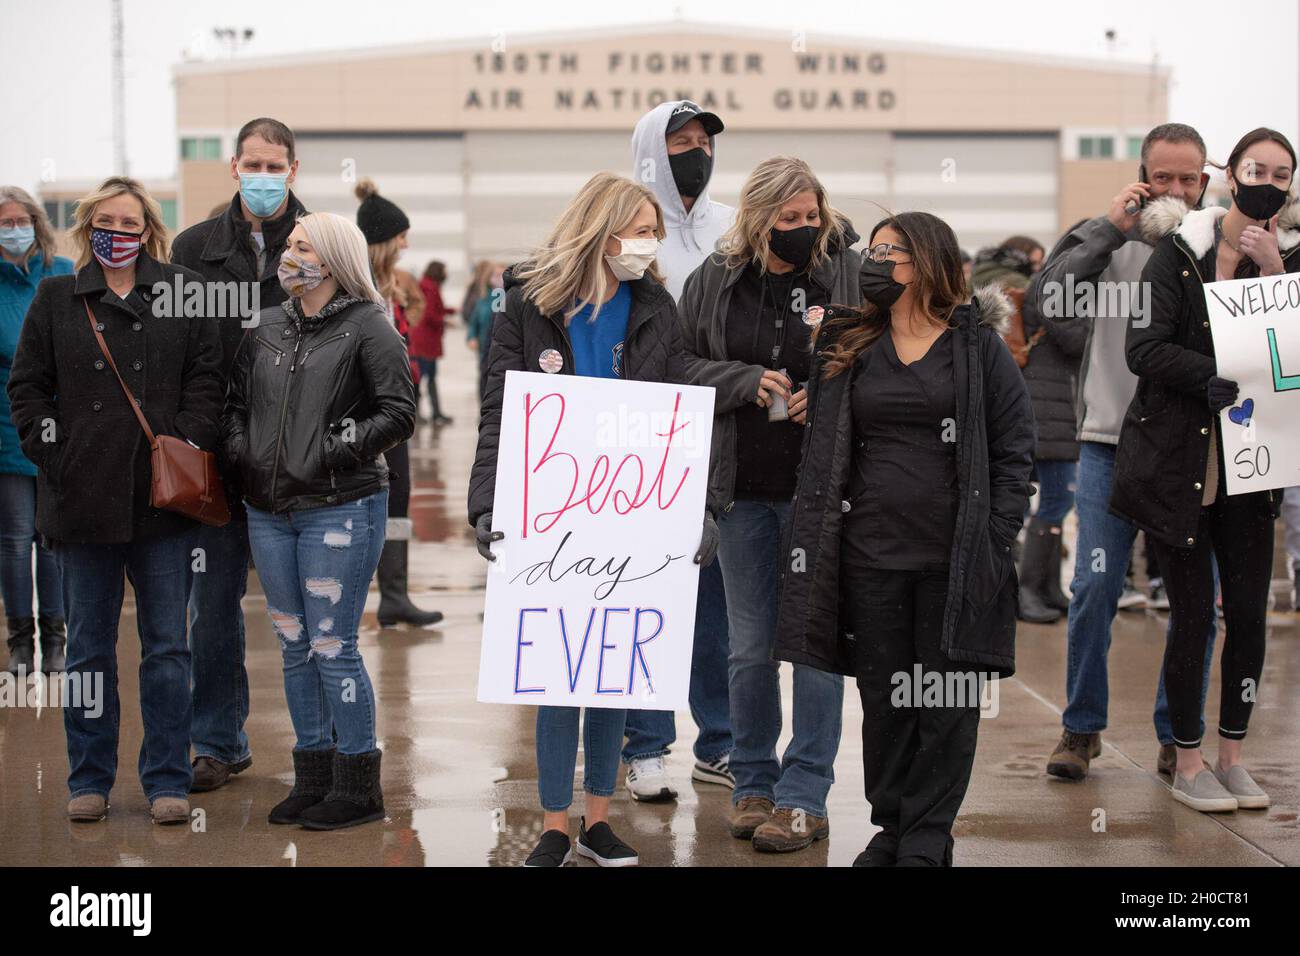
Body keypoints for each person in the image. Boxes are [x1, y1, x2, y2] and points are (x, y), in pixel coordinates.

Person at [467, 172, 717, 867]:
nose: (648, 242)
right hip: (550, 510)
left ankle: (599, 820)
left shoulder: (656, 308)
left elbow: (677, 417)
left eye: (652, 231)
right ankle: (553, 824)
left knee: (614, 668)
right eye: (638, 228)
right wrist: (487, 502)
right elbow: (498, 411)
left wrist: (696, 510)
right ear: (600, 228)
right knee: (554, 672)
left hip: (631, 508)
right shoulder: (528, 304)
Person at [776, 212, 1034, 866]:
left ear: (926, 262)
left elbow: (1014, 452)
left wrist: (995, 538)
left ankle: (926, 837)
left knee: (945, 704)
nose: (876, 261)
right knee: (886, 700)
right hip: (869, 557)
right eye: (876, 249)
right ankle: (891, 826)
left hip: (954, 561)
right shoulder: (850, 344)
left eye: (891, 251)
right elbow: (826, 447)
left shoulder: (976, 347)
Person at [7, 176, 224, 824]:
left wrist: (182, 442)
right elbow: (28, 390)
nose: (117, 233)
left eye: (129, 223)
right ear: (85, 227)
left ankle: (166, 779)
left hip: (162, 504)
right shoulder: (55, 298)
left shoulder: (185, 293)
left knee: (166, 648)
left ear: (147, 230)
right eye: (105, 221)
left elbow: (207, 382)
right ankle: (89, 777)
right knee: (88, 651)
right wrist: (58, 454)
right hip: (81, 503)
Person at [1112, 127, 1299, 813]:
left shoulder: (1292, 258)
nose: (1267, 182)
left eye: (1282, 174)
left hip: (1254, 468)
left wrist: (1277, 271)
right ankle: (1187, 760)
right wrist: (1208, 373)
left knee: (1248, 616)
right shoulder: (1178, 253)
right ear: (1229, 172)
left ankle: (1232, 755)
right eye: (1257, 168)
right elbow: (1144, 349)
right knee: (1194, 618)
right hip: (1180, 467)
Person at [678, 155, 860, 853]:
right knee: (750, 648)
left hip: (820, 494)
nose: (802, 229)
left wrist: (833, 390)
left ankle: (804, 793)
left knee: (816, 648)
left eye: (810, 217)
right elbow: (678, 364)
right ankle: (752, 782)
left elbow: (880, 355)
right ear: (757, 220)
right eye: (787, 220)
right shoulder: (715, 282)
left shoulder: (844, 272)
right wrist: (743, 379)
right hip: (741, 493)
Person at [1031, 123, 1221, 781]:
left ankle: (1180, 732)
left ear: (1205, 180)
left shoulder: (1219, 245)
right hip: (1107, 443)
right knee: (1092, 586)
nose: (1174, 190)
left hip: (1189, 450)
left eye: (1187, 179)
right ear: (1141, 176)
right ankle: (1080, 729)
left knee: (1198, 601)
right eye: (1161, 177)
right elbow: (1047, 302)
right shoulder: (1104, 236)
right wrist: (1108, 229)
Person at [224, 211, 415, 829]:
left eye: (302, 246)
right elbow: (235, 405)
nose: (288, 254)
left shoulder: (369, 326)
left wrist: (331, 450)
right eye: (288, 245)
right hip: (269, 509)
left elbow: (398, 411)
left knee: (333, 645)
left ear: (331, 259)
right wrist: (246, 452)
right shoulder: (267, 325)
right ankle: (313, 773)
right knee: (294, 644)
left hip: (342, 507)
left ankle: (359, 783)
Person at [171, 116, 309, 793]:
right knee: (214, 608)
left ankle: (326, 748)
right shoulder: (194, 249)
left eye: (273, 164)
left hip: (299, 460)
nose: (262, 176)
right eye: (251, 164)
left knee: (308, 613)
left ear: (293, 167)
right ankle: (217, 741)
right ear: (234, 168)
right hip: (219, 460)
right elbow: (170, 350)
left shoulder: (322, 241)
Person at [621, 99, 736, 800]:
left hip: (718, 430)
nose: (696, 152)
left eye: (703, 142)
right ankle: (647, 743)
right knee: (646, 597)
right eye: (680, 142)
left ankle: (718, 742)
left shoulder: (732, 226)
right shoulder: (630, 226)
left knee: (717, 599)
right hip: (641, 435)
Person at [355, 179, 444, 629]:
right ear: (381, 241)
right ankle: (355, 597)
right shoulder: (355, 286)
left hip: (396, 418)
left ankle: (395, 594)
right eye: (401, 235)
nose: (406, 243)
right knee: (361, 503)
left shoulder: (389, 288)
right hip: (365, 416)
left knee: (398, 498)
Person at [0, 186, 71, 676]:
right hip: (5, 430)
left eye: (21, 219)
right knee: (14, 537)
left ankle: (56, 637)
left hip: (60, 430)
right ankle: (20, 640)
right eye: (5, 222)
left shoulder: (62, 274)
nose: (14, 229)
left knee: (51, 537)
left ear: (37, 223)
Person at [413, 260, 454, 425]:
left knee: (426, 377)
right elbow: (430, 314)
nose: (446, 274)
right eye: (444, 270)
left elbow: (434, 309)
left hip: (424, 340)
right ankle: (427, 413)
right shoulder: (430, 287)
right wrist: (444, 320)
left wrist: (449, 311)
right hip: (426, 341)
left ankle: (430, 412)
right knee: (425, 377)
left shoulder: (426, 285)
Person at [465, 261, 502, 403]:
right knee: (483, 378)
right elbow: (475, 320)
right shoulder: (484, 297)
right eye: (496, 275)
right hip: (484, 346)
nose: (499, 278)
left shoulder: (501, 296)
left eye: (500, 275)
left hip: (496, 346)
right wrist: (471, 337)